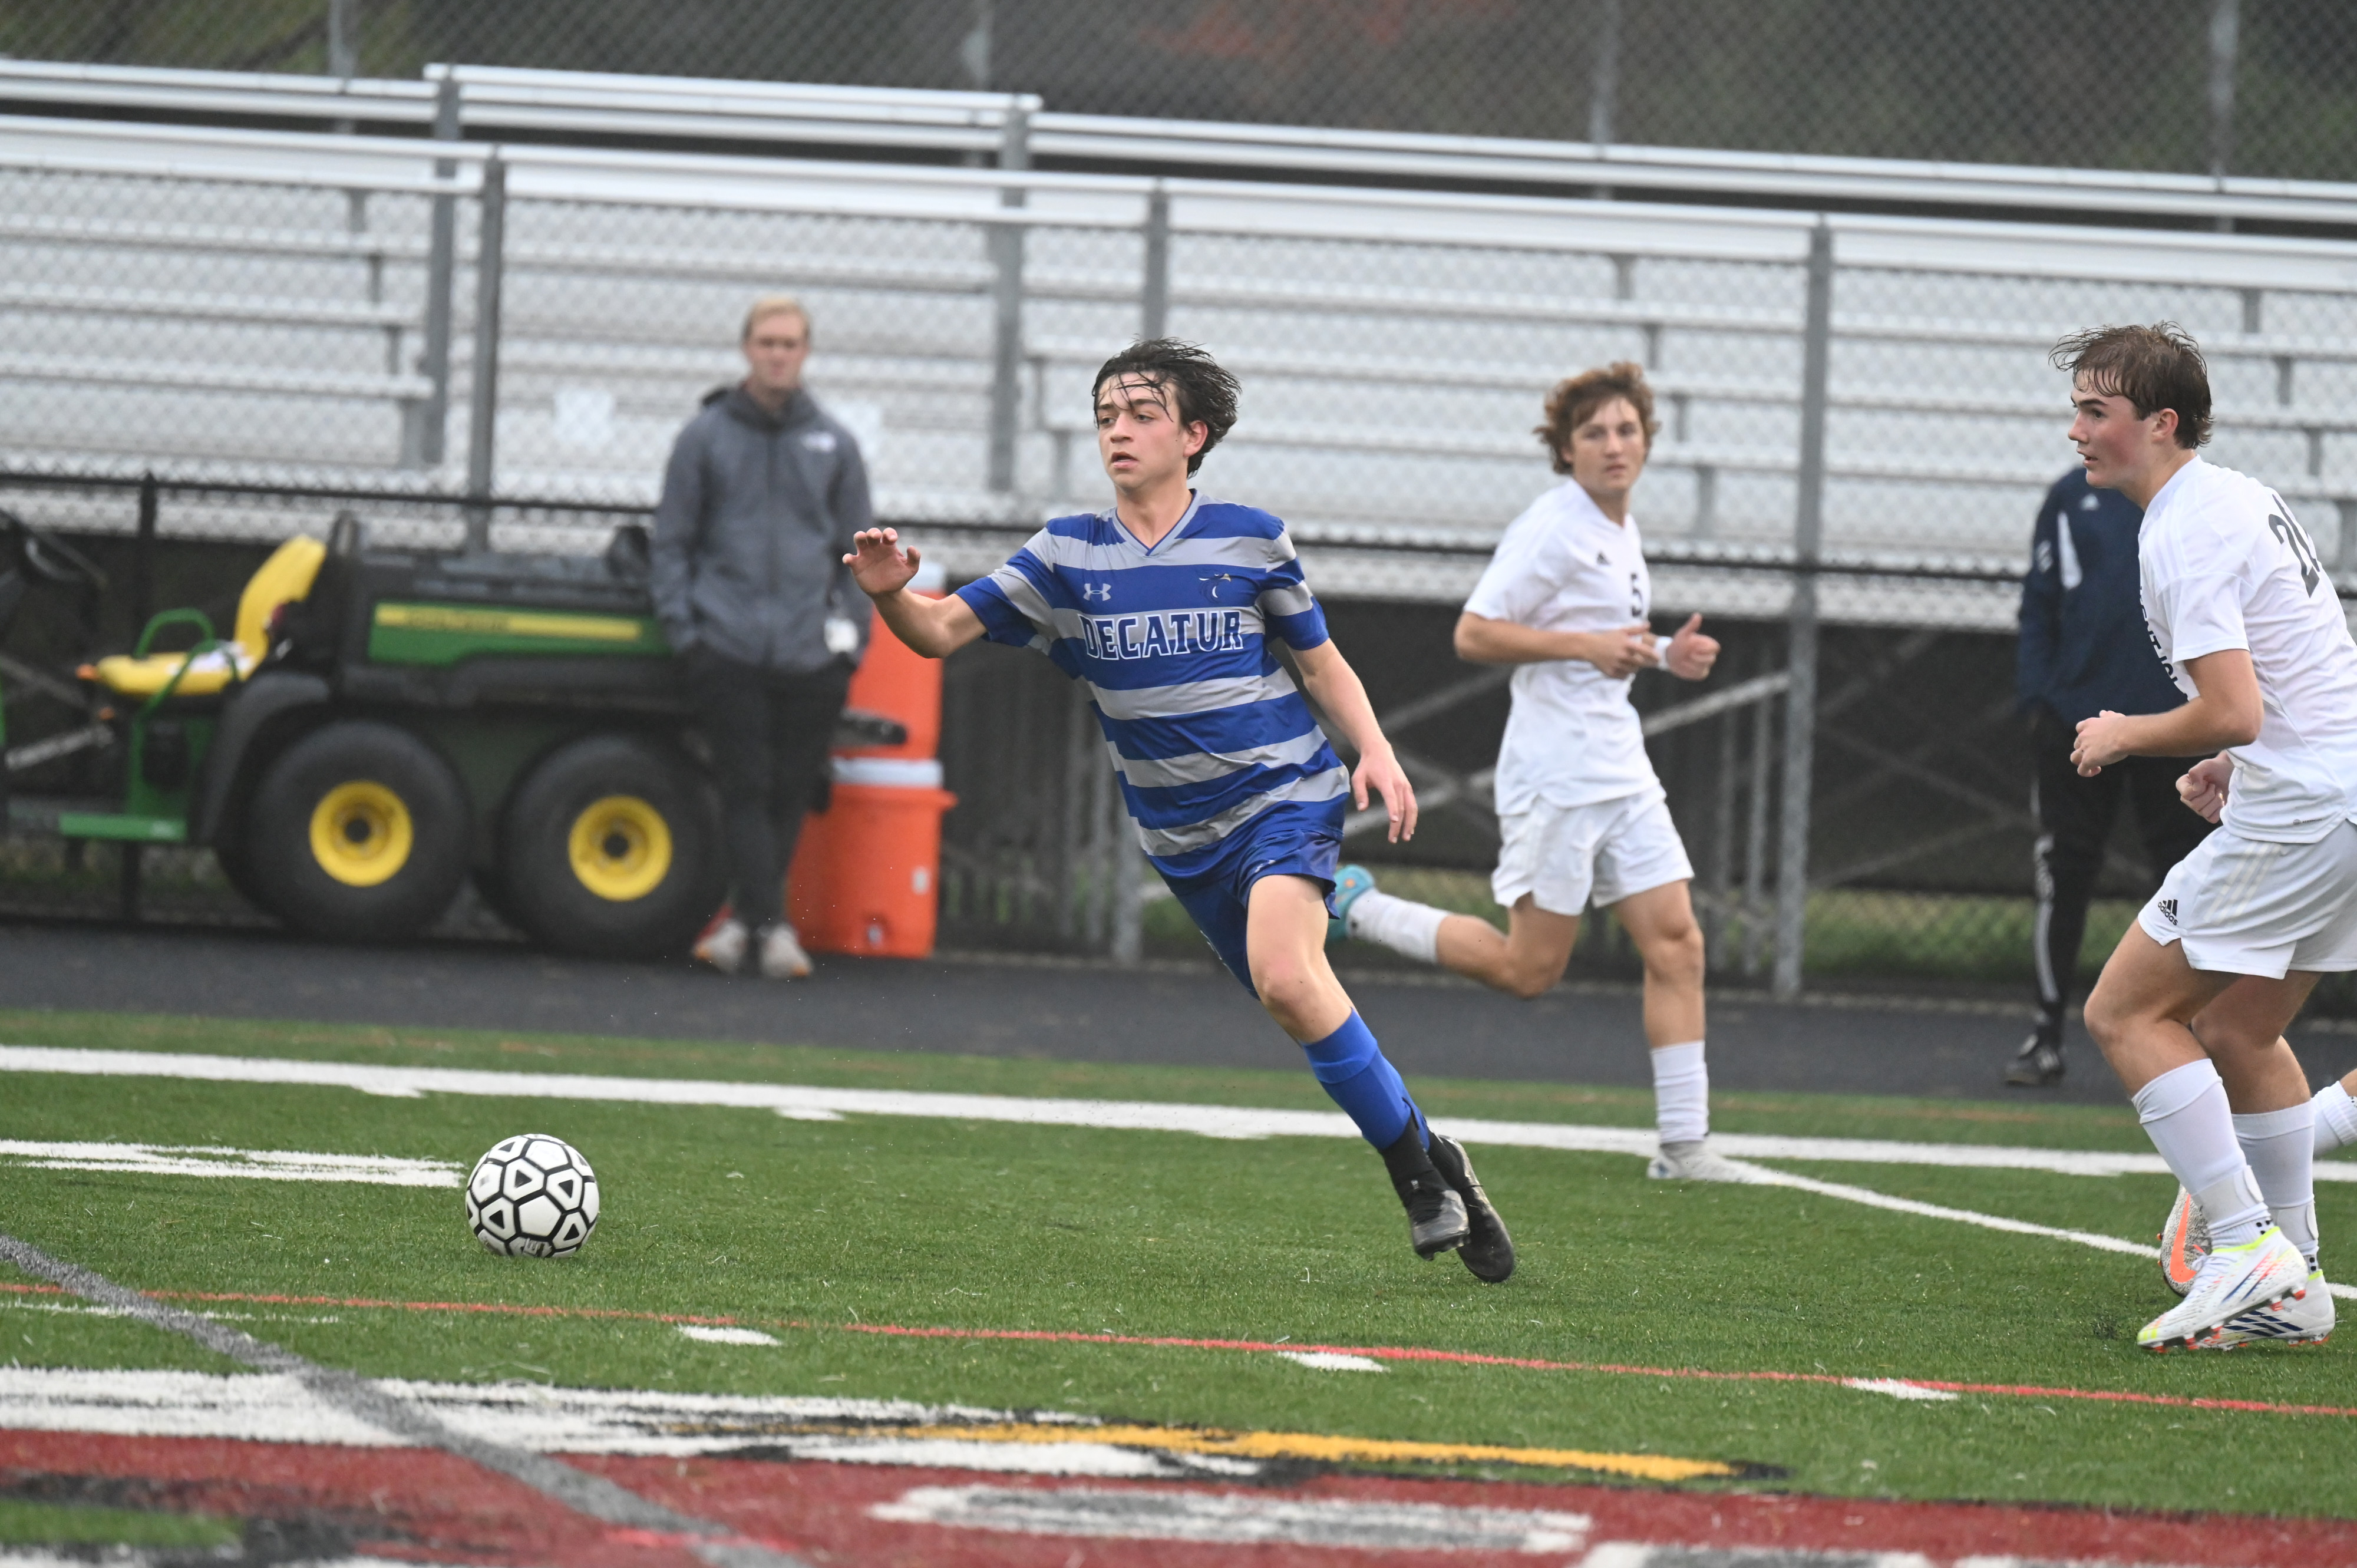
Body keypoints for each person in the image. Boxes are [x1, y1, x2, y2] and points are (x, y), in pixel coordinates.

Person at [840, 338, 1514, 1280]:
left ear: (1194, 435)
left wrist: (1376, 751)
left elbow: (1319, 662)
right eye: (1107, 414)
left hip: (1284, 797)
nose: (1118, 429)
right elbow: (940, 628)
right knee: (1302, 1004)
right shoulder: (1066, 553)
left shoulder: (1250, 538)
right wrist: (889, 596)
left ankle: (1413, 1179)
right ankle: (1440, 1161)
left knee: (1287, 977)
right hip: (1182, 840)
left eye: (1142, 413)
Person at [1325, 362, 1741, 1183]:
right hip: (1556, 775)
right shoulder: (1553, 525)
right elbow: (1476, 633)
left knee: (1678, 943)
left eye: (1627, 430)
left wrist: (1664, 652)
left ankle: (1684, 1147)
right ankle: (1359, 907)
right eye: (1594, 434)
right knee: (1530, 970)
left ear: (1647, 442)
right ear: (1566, 451)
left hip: (1619, 766)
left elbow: (1602, 635)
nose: (1614, 446)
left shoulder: (1618, 528)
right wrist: (1590, 646)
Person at [2066, 321, 2352, 1352]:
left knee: (2125, 1010)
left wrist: (2123, 733)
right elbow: (2289, 676)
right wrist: (2239, 761)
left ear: (2160, 422)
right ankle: (2299, 1284)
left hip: (2312, 810)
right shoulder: (2237, 494)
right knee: (2238, 1032)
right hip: (2340, 795)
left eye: (2097, 411)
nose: (2078, 431)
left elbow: (2231, 704)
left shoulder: (2183, 525)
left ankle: (2242, 1245)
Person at [652, 295, 873, 980]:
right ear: (747, 348)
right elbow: (672, 543)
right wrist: (688, 634)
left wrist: (849, 645)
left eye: (790, 343)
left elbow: (859, 552)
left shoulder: (835, 443)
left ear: (805, 353)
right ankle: (770, 928)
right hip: (728, 646)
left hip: (812, 654)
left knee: (788, 791)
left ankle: (745, 925)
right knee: (746, 788)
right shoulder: (705, 437)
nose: (778, 354)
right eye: (767, 342)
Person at [2008, 467, 2213, 1087]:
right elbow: (2039, 604)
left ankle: (2185, 1034)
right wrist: (2040, 701)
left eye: (2097, 413)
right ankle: (2046, 1030)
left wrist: (2200, 714)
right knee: (2063, 869)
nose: (2082, 429)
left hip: (2172, 726)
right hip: (2077, 719)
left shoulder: (2197, 502)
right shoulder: (2070, 498)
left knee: (2187, 875)